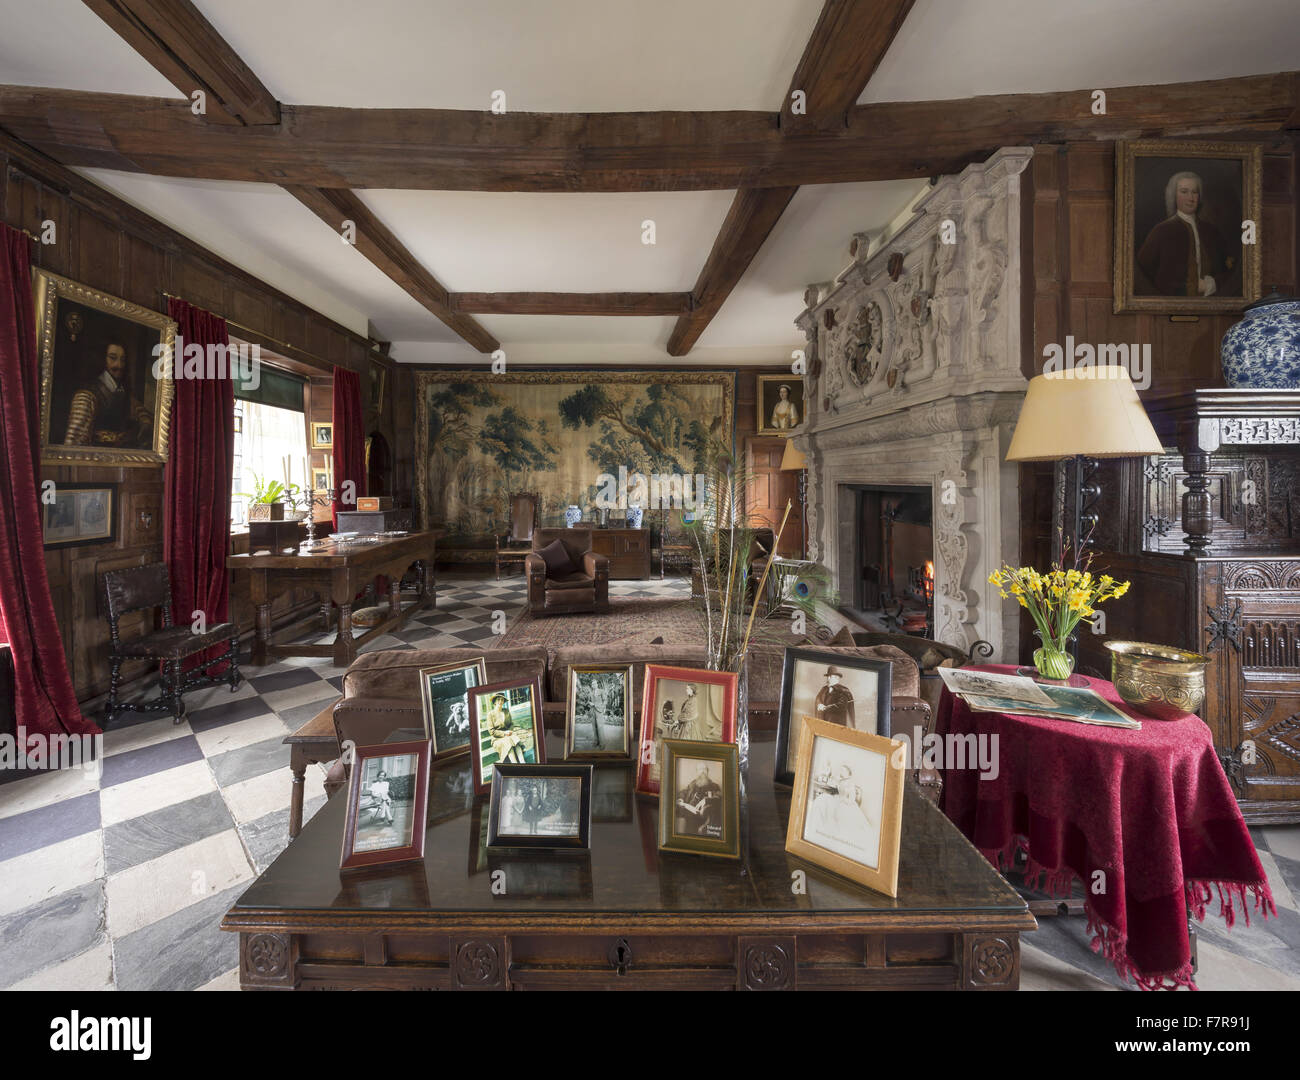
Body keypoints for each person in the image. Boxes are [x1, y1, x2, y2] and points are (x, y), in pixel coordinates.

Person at [1135, 170, 1234, 297]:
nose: (1190, 198)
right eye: (1184, 192)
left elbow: (1230, 269)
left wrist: (1212, 284)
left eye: (1194, 192)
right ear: (1174, 196)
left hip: (1211, 305)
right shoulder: (1161, 231)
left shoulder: (1211, 232)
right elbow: (1142, 273)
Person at [63, 341, 153, 447]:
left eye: (123, 360)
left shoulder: (121, 391)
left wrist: (145, 422)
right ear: (102, 359)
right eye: (113, 358)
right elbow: (74, 442)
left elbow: (139, 410)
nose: (119, 365)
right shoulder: (86, 395)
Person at [676, 762, 723, 836]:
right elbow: (684, 792)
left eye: (704, 769)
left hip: (702, 815)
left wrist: (706, 800)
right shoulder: (692, 784)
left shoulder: (714, 786)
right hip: (688, 810)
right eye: (700, 769)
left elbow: (718, 797)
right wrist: (680, 799)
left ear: (707, 771)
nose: (702, 771)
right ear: (697, 772)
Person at [486, 692, 528, 765]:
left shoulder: (506, 711)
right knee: (508, 742)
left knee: (515, 740)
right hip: (497, 738)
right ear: (495, 701)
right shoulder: (490, 714)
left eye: (502, 700)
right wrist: (504, 733)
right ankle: (515, 765)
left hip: (509, 735)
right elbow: (491, 731)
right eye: (498, 699)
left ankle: (523, 763)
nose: (500, 701)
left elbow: (511, 724)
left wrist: (510, 731)